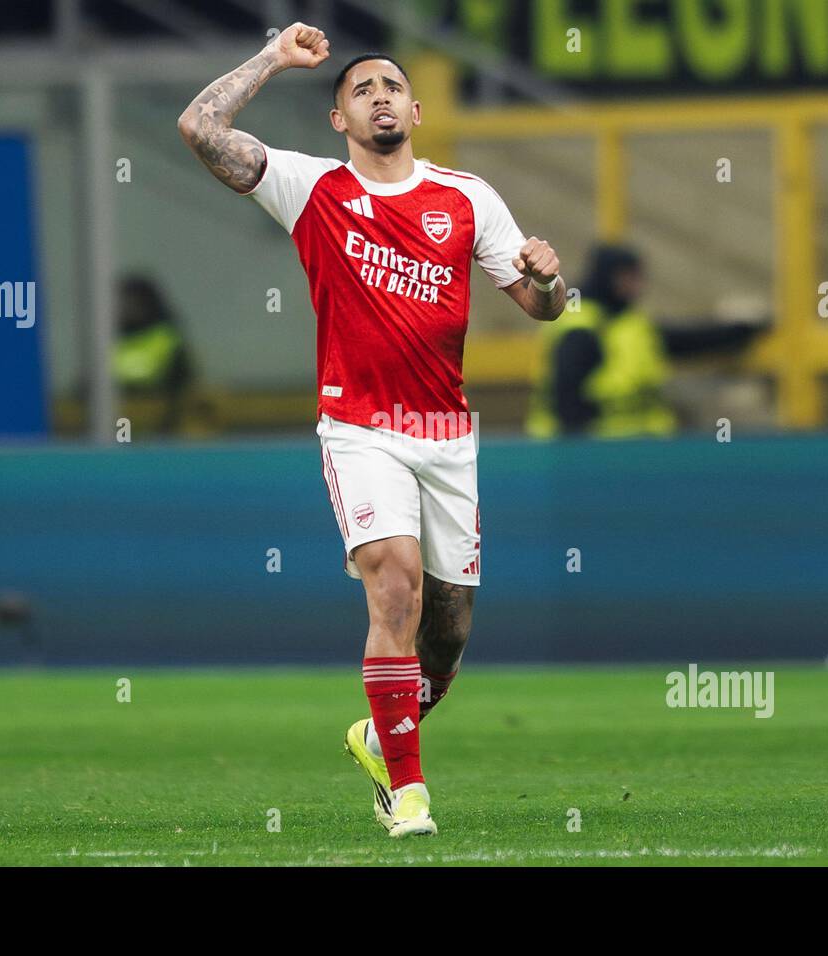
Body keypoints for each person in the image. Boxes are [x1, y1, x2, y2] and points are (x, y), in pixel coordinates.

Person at [177, 23, 565, 837]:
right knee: (395, 586)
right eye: (362, 90)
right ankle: (409, 794)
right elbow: (200, 128)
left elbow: (540, 308)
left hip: (445, 434)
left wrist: (549, 282)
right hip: (360, 427)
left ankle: (380, 738)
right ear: (339, 120)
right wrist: (273, 57)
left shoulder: (466, 197)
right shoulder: (311, 187)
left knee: (448, 632)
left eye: (392, 86)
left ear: (416, 111)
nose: (379, 97)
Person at [527, 244, 760, 438]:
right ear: (607, 277)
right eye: (628, 277)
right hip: (598, 453)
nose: (638, 285)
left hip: (636, 450)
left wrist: (743, 330)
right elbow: (567, 399)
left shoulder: (630, 322)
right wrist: (580, 457)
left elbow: (687, 341)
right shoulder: (581, 329)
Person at [113, 276, 192, 434]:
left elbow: (183, 384)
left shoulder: (166, 337)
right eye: (123, 301)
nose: (128, 307)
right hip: (115, 419)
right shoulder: (105, 337)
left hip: (159, 420)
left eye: (134, 301)